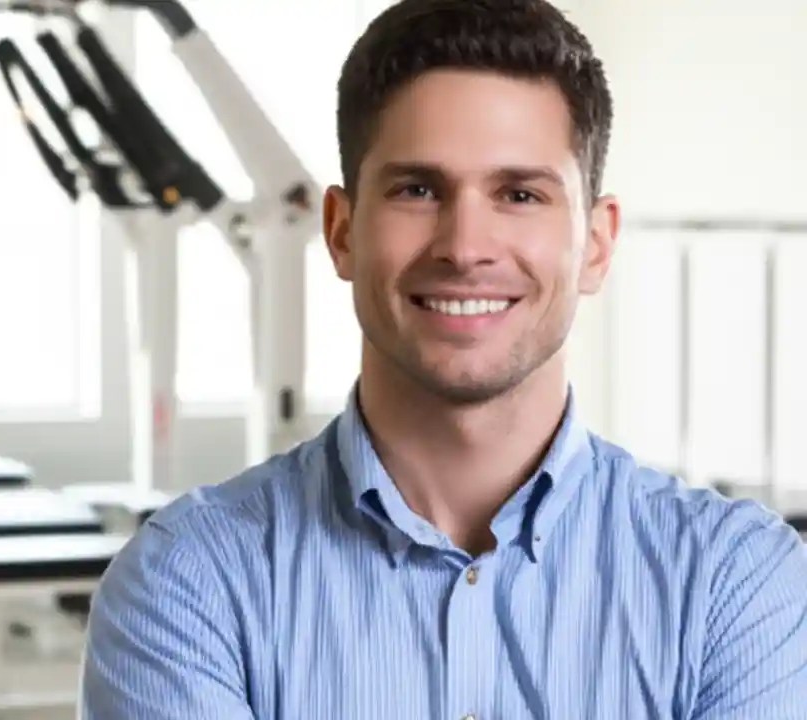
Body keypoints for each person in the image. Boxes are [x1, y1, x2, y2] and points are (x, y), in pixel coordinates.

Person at [79, 0, 807, 717]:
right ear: (341, 231)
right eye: (418, 190)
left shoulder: (736, 585)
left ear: (596, 244)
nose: (464, 247)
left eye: (520, 194)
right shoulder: (186, 583)